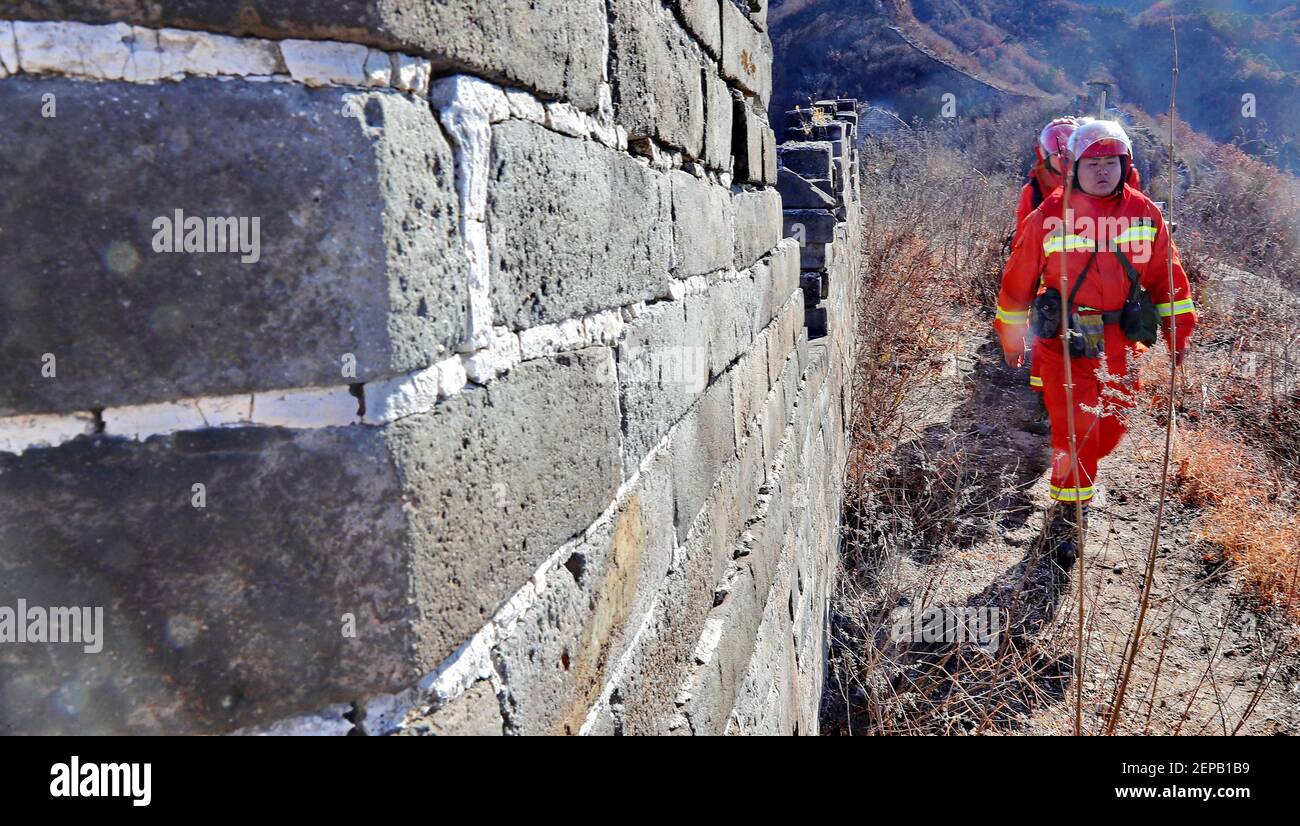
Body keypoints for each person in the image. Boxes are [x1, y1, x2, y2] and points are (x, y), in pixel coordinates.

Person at [994, 118, 1196, 565]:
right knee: (1075, 427)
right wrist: (1012, 340)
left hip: (1123, 339)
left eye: (1111, 162)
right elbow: (1017, 284)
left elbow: (1167, 278)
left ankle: (1082, 473)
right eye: (1093, 163)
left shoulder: (1145, 213)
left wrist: (1178, 333)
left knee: (1113, 423)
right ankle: (1069, 512)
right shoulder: (1048, 216)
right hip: (1068, 335)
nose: (1102, 171)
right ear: (1074, 168)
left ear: (1125, 165)